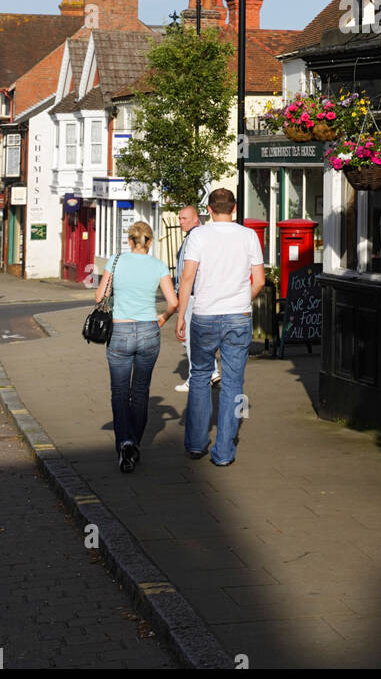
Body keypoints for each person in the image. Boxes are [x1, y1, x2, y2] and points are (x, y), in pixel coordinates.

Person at [176, 187, 264, 467]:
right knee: (233, 382)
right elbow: (259, 281)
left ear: (209, 211)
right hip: (238, 315)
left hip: (204, 314)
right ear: (235, 208)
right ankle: (224, 451)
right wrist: (242, 301)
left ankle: (196, 443)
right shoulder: (249, 235)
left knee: (200, 376)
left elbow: (187, 278)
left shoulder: (199, 236)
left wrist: (180, 314)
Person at [94, 219, 177, 474]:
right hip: (148, 331)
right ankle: (135, 444)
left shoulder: (116, 261)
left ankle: (125, 443)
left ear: (130, 241)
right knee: (140, 391)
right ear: (150, 243)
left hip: (119, 331)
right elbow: (173, 302)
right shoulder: (158, 265)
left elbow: (99, 296)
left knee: (119, 392)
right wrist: (161, 319)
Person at [173, 205, 220, 392]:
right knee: (201, 338)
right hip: (198, 294)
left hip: (192, 295)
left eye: (184, 218)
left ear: (195, 219)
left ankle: (194, 378)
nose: (180, 222)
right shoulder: (197, 237)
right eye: (179, 218)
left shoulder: (194, 238)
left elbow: (187, 274)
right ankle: (213, 371)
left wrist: (181, 297)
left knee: (191, 339)